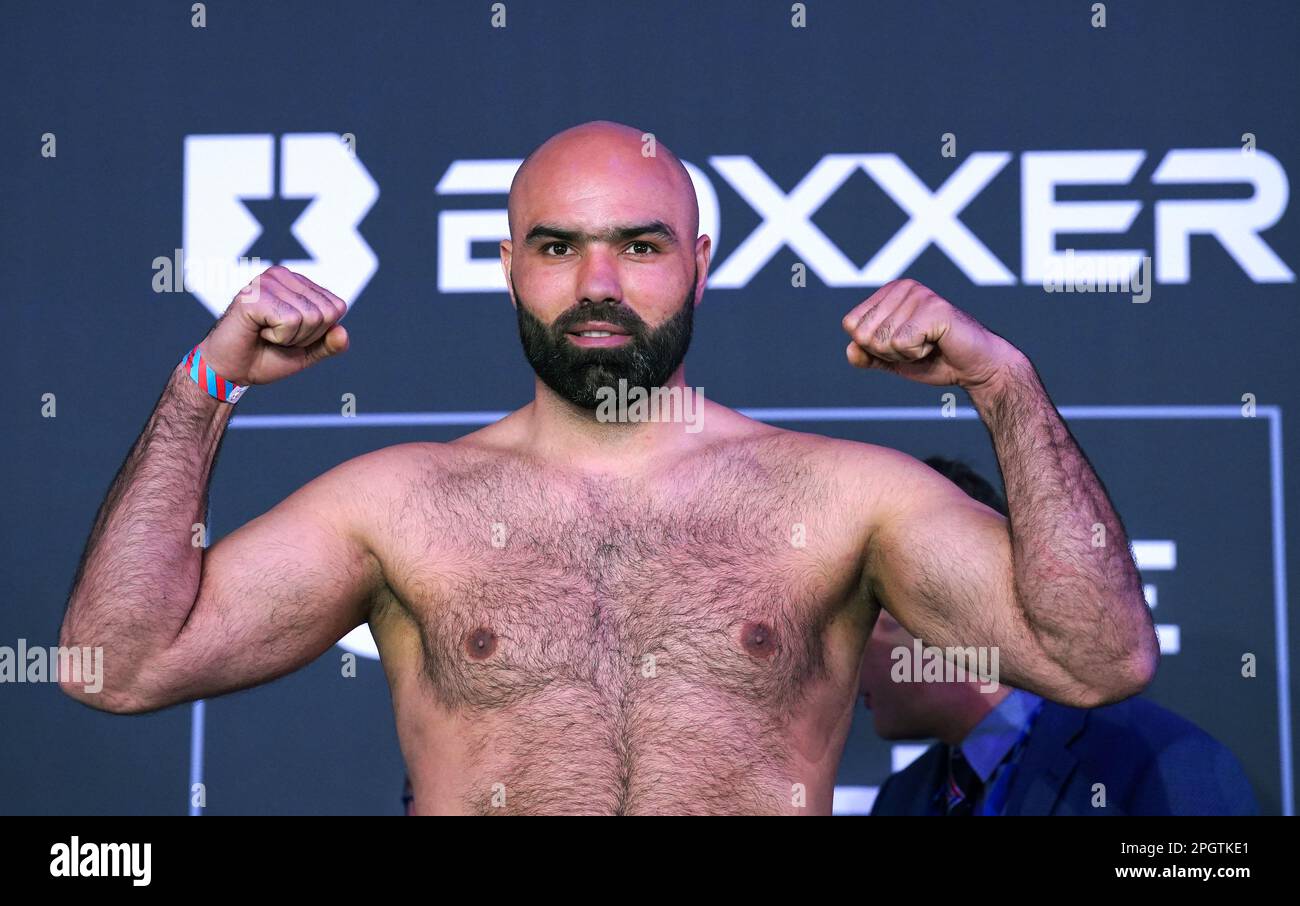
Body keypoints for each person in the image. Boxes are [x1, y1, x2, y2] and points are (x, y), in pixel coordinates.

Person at [60, 121, 1159, 815]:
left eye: (639, 245)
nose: (597, 283)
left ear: (699, 265)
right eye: (556, 247)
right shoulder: (399, 503)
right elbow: (116, 667)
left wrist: (1005, 383)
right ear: (508, 267)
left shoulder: (842, 498)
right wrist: (205, 384)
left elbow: (1100, 659)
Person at [865, 457, 1257, 816]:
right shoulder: (899, 799)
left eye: (862, 610)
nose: (843, 651)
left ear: (942, 603)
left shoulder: (1166, 768)